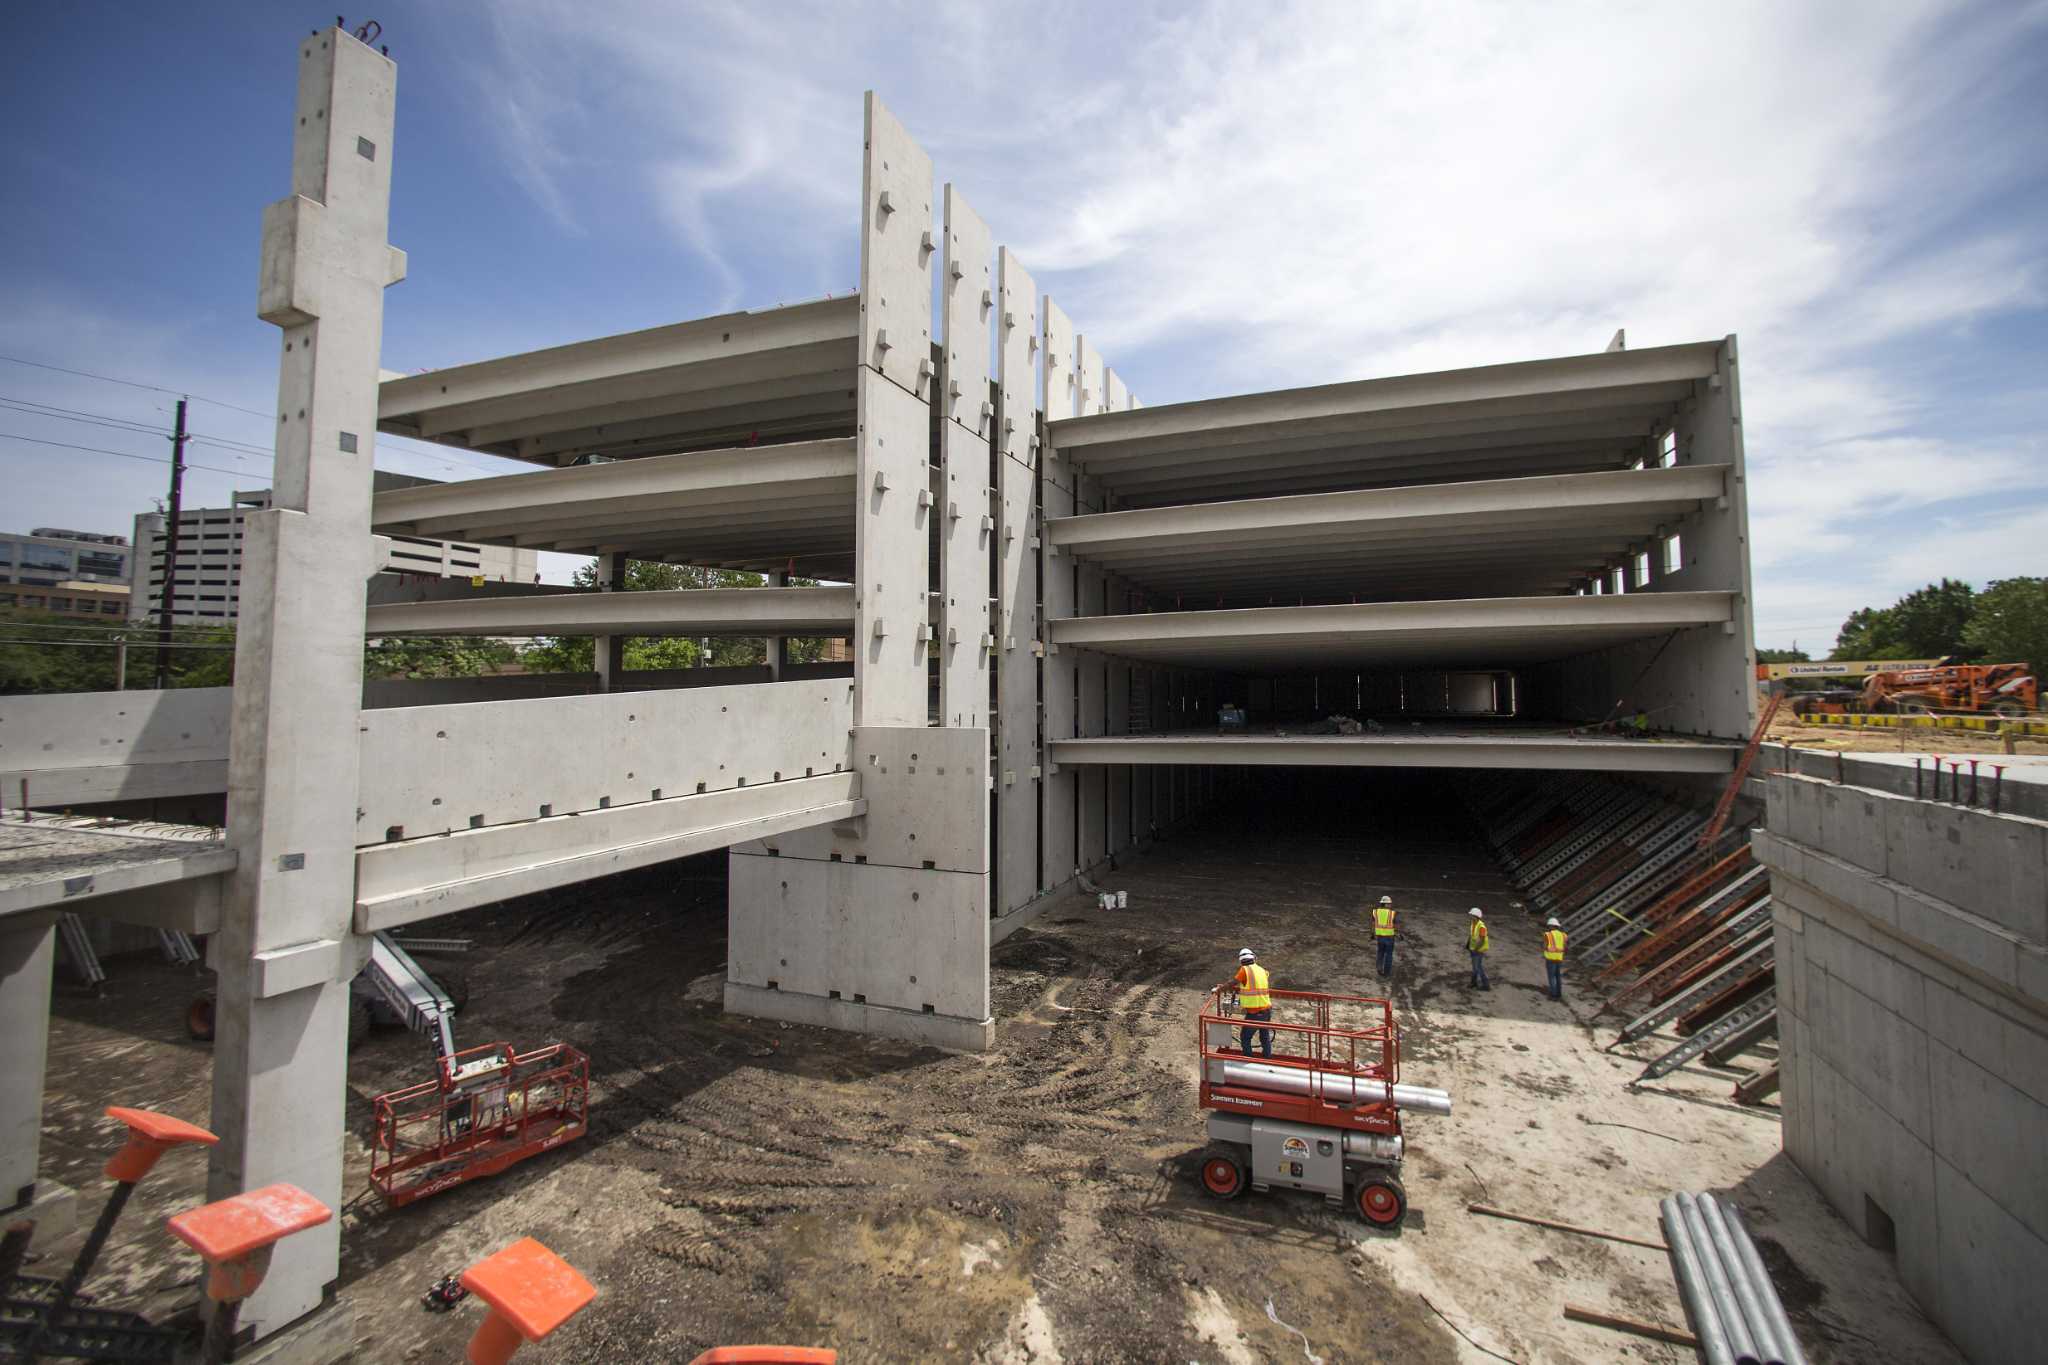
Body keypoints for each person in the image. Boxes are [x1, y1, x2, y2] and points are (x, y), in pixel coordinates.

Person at [1233, 947, 1273, 1058]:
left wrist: (1218, 990)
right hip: (1267, 1010)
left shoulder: (1244, 970)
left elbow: (1233, 982)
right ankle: (1267, 1058)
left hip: (1255, 1013)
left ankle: (1248, 1059)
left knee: (1245, 1037)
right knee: (1264, 1036)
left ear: (1241, 961)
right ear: (1254, 958)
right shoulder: (1262, 970)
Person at [1371, 895, 1397, 978]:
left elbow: (1373, 924)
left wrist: (1372, 934)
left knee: (1380, 952)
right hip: (1389, 937)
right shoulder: (1392, 913)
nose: (1390, 905)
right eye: (1389, 904)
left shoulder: (1376, 912)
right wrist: (1399, 934)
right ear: (1385, 904)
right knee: (1388, 955)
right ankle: (1386, 973)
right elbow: (1396, 925)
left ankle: (1379, 968)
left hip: (1380, 937)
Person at [1542, 916, 1568, 1000]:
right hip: (1559, 958)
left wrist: (1545, 948)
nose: (1548, 927)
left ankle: (1553, 995)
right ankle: (1558, 994)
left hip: (1550, 958)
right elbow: (1565, 947)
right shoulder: (1563, 935)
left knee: (1552, 977)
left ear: (1551, 926)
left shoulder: (1548, 935)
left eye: (1549, 926)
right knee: (1558, 976)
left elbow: (1545, 946)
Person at [1465, 908, 1490, 990]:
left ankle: (1486, 985)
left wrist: (1476, 949)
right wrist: (1468, 944)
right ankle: (1474, 983)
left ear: (1475, 916)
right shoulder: (1473, 923)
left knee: (1478, 967)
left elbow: (1482, 940)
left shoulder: (1481, 926)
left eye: (1471, 915)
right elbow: (1472, 935)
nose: (1470, 916)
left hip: (1478, 950)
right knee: (1475, 967)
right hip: (1473, 949)